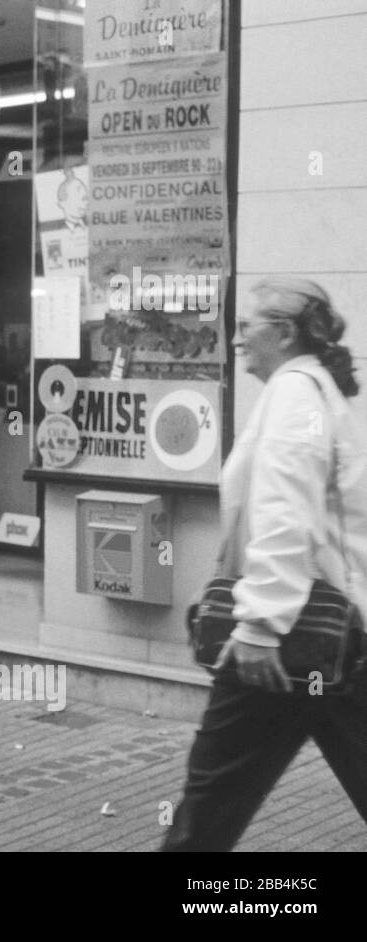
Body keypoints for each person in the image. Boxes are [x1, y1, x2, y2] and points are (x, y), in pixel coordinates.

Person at [163, 278, 367, 851]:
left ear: (283, 333)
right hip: (325, 638)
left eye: (247, 327)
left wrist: (259, 625)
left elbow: (285, 508)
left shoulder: (295, 393)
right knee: (212, 803)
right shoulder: (310, 390)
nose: (236, 339)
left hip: (284, 638)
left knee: (208, 805)